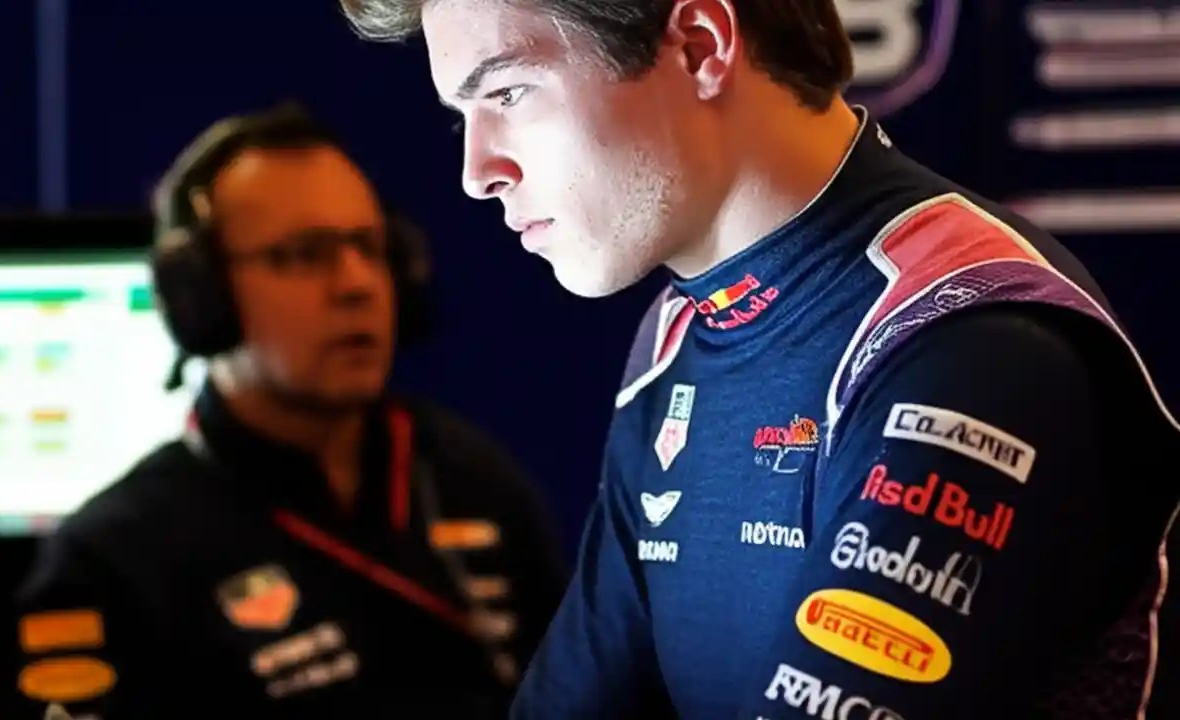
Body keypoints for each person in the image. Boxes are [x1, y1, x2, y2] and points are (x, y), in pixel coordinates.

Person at [337, 1, 1180, 718]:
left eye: (510, 92)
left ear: (701, 45)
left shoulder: (972, 343)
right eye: (463, 115)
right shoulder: (677, 338)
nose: (476, 172)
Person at [0, 102, 568, 719]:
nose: (356, 283)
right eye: (303, 254)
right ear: (202, 297)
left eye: (368, 246)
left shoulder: (471, 478)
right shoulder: (109, 560)